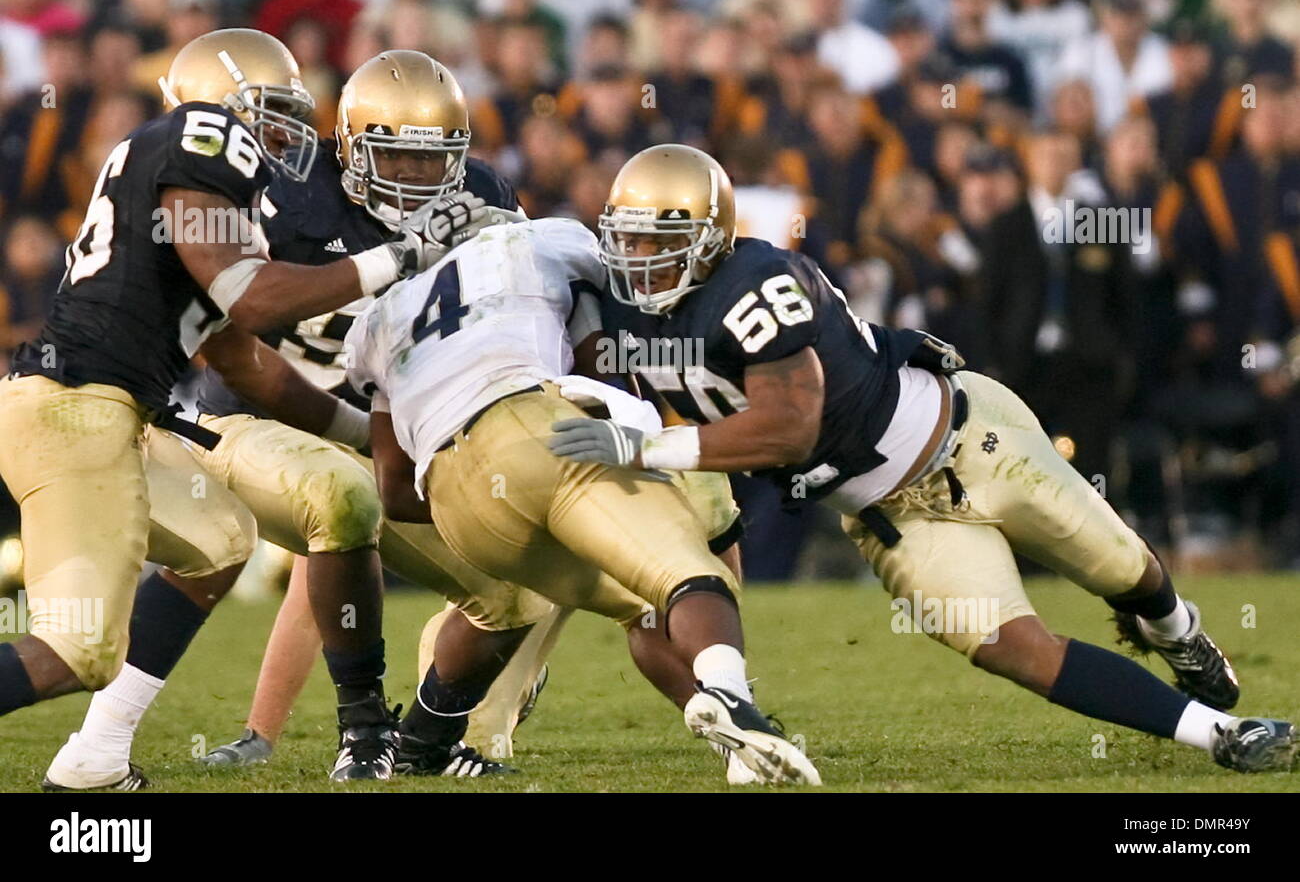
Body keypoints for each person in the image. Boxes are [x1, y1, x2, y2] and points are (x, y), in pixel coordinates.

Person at [548, 143, 1296, 774]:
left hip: (972, 441)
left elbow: (791, 428)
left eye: (656, 239)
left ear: (711, 234)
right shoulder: (618, 307)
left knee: (1120, 568)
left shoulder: (758, 281)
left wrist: (653, 446)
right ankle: (1222, 734)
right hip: (888, 516)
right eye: (627, 237)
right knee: (1012, 648)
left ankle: (1177, 631)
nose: (637, 258)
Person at [0, 29, 461, 789]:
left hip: (108, 411)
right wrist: (399, 256)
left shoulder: (204, 193)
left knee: (219, 539)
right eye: (273, 112)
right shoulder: (199, 136)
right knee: (77, 650)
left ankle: (94, 761)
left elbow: (247, 364)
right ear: (228, 104)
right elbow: (253, 294)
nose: (285, 134)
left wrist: (361, 437)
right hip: (75, 410)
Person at [346, 212, 820, 786]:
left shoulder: (377, 321)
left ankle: (422, 741)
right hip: (542, 427)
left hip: (455, 495)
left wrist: (487, 492)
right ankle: (736, 711)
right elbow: (606, 364)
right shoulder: (538, 241)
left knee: (534, 603)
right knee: (673, 584)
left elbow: (394, 490)